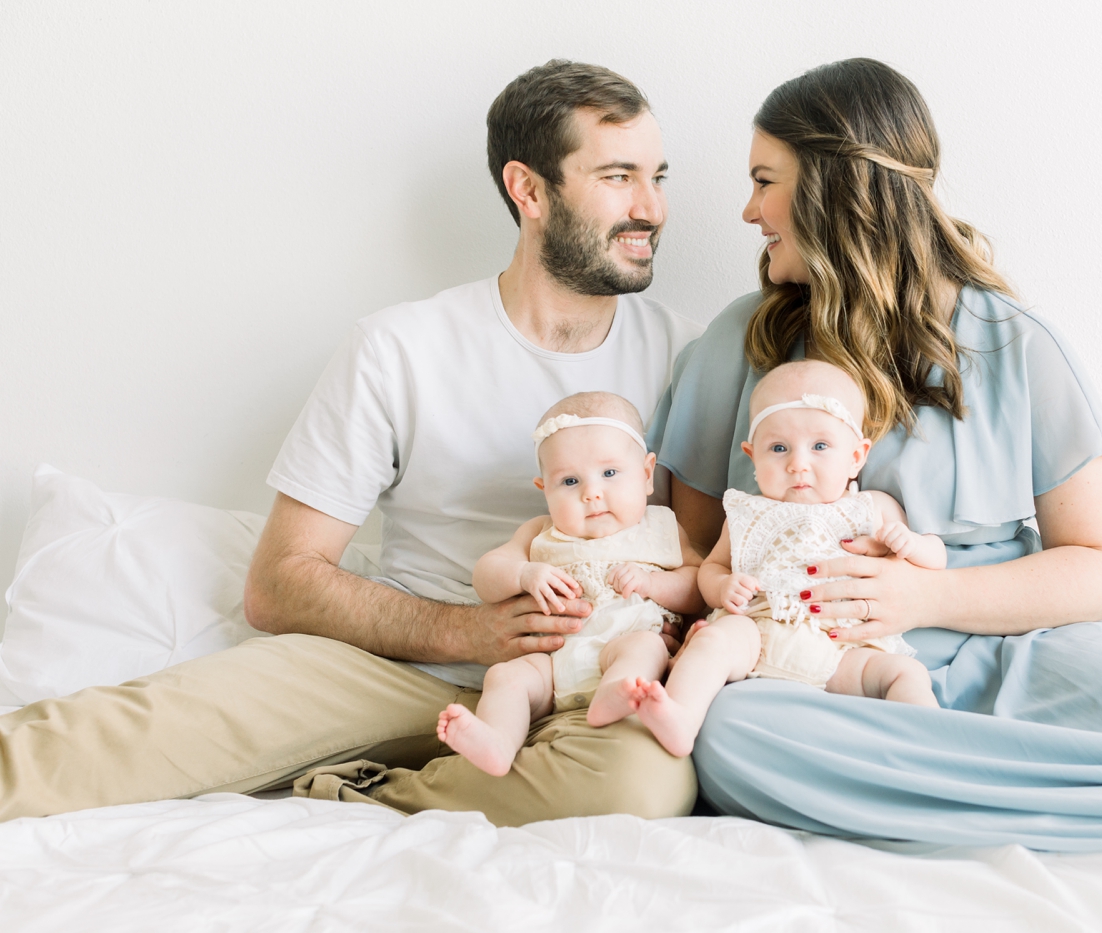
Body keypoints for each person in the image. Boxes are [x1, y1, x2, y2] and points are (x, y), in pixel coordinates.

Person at [654, 58, 1102, 851]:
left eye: (764, 181)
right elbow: (691, 550)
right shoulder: (739, 343)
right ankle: (1100, 784)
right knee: (732, 736)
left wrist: (924, 597)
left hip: (1012, 654)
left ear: (836, 191)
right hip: (819, 673)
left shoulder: (1014, 344)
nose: (748, 210)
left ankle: (956, 781)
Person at [0, 60, 702, 824]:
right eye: (619, 177)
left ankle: (366, 789)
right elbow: (279, 582)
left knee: (643, 788)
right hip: (403, 668)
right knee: (123, 736)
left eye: (657, 176)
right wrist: (466, 630)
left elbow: (703, 563)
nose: (652, 207)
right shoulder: (400, 348)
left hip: (596, 677)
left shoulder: (688, 356)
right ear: (528, 190)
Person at [627, 359, 941, 758]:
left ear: (857, 456)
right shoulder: (747, 512)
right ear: (752, 456)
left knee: (905, 673)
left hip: (841, 650)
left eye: (820, 446)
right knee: (711, 642)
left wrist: (911, 544)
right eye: (778, 448)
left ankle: (926, 744)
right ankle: (681, 718)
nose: (798, 464)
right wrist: (723, 586)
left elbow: (935, 559)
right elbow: (712, 567)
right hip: (758, 637)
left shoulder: (871, 508)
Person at [437, 392, 704, 776]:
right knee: (505, 677)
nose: (591, 493)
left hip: (622, 649)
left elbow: (697, 587)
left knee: (645, 647)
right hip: (552, 665)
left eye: (609, 473)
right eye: (569, 480)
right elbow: (486, 574)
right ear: (544, 489)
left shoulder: (661, 528)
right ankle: (497, 741)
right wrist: (524, 574)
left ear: (647, 474)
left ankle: (616, 694)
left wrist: (653, 583)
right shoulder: (540, 533)